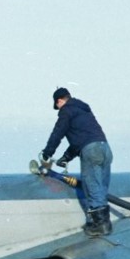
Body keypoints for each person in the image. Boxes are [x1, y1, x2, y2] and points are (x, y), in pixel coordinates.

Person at [42, 87, 115, 237]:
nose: (58, 110)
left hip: (91, 150)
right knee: (101, 186)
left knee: (91, 185)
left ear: (59, 101)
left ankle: (100, 225)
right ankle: (104, 222)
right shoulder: (83, 110)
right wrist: (66, 157)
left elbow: (58, 133)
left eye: (57, 106)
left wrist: (47, 153)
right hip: (104, 148)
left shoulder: (66, 110)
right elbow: (82, 138)